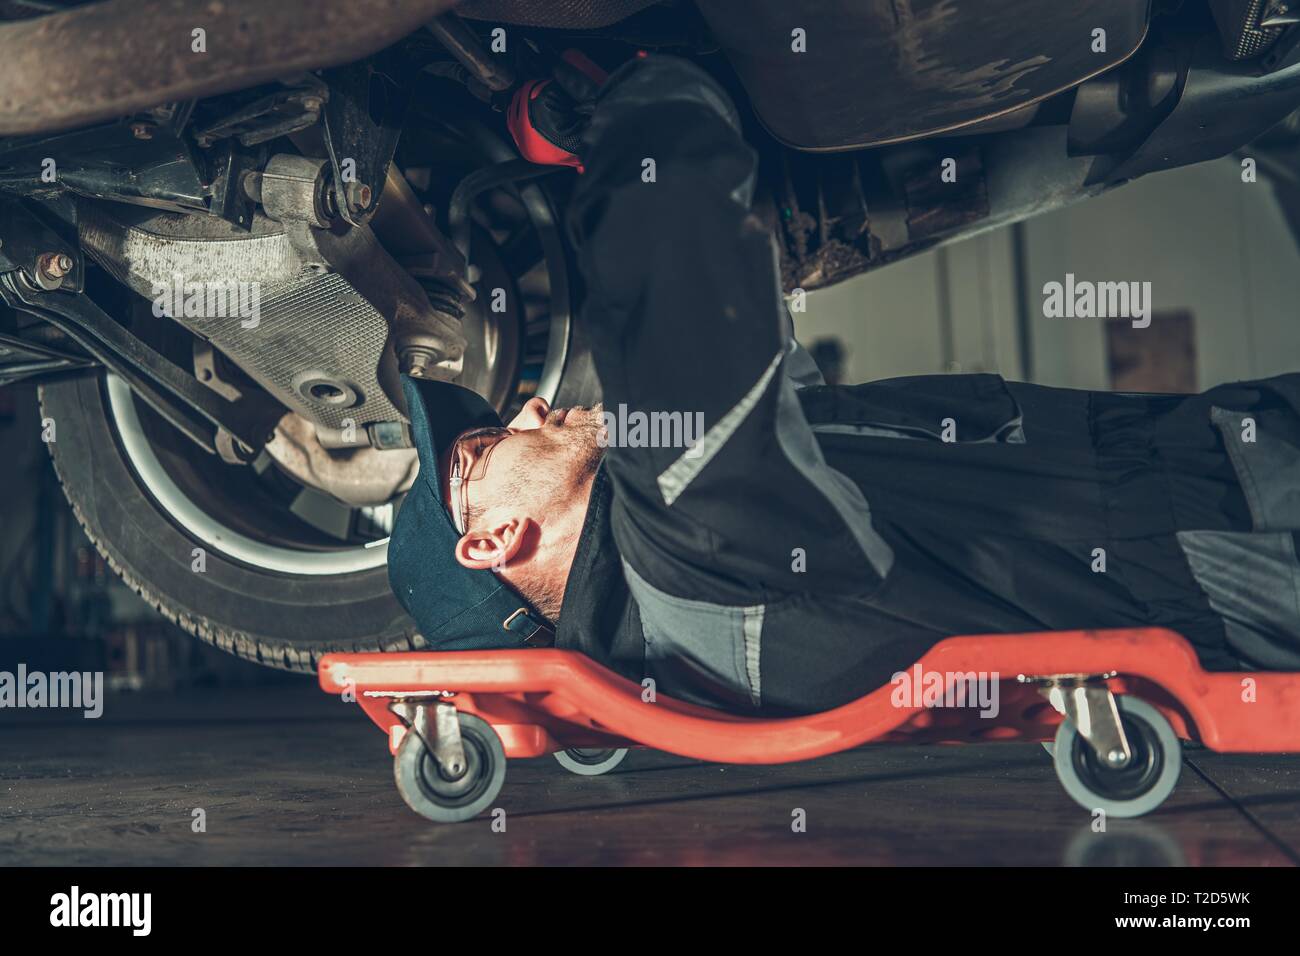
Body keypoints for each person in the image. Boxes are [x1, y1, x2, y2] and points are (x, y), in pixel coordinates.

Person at [387, 55, 1300, 715]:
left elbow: (748, 344)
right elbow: (675, 274)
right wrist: (636, 96)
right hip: (1241, 529)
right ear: (494, 542)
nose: (530, 407)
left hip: (1228, 472)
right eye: (483, 446)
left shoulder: (698, 583)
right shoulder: (681, 560)